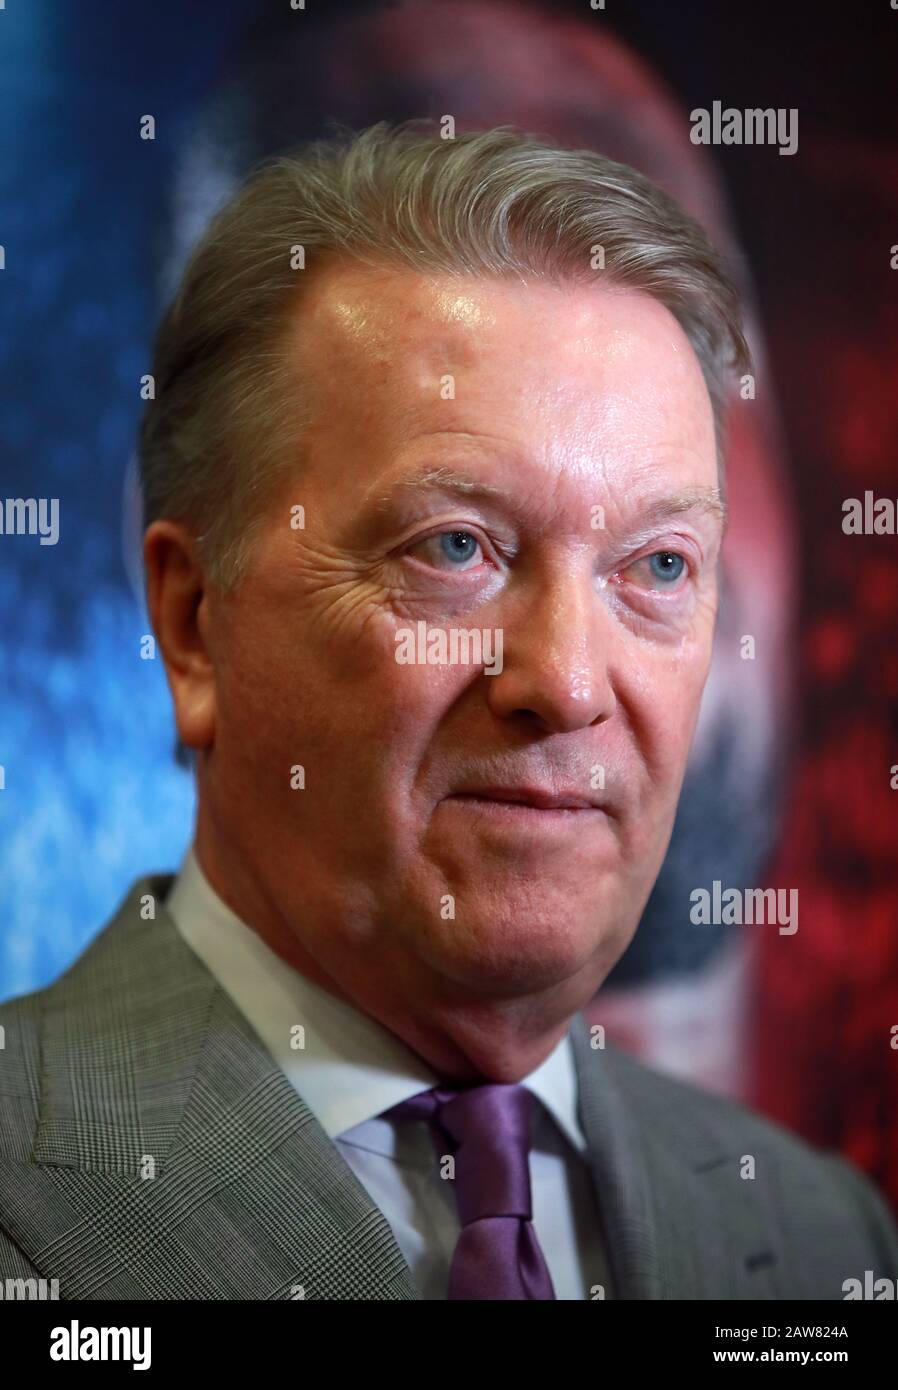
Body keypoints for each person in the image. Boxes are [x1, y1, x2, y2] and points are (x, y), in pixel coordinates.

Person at [0, 124, 894, 1300]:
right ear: (192, 622)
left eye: (658, 566)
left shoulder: (829, 1240)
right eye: (456, 547)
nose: (569, 683)